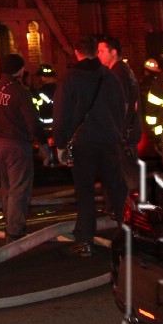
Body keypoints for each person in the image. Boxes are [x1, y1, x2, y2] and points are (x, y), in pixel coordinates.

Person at [51, 34, 128, 257]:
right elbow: (121, 109)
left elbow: (62, 113)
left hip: (82, 144)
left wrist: (60, 142)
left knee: (84, 193)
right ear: (96, 51)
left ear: (76, 52)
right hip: (109, 141)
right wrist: (116, 134)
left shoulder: (69, 80)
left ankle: (85, 240)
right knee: (117, 190)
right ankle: (129, 236)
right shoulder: (110, 77)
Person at [0, 53, 46, 240]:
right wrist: (43, 143)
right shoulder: (20, 92)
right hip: (16, 144)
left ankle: (9, 222)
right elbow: (33, 122)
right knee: (19, 188)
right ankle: (15, 229)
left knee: (7, 186)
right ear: (18, 70)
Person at [97, 34, 141, 179]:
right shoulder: (123, 69)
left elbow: (123, 104)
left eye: (102, 51)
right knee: (129, 171)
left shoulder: (118, 73)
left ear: (113, 52)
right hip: (128, 131)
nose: (98, 55)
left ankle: (132, 193)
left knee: (126, 174)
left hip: (123, 134)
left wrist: (115, 130)